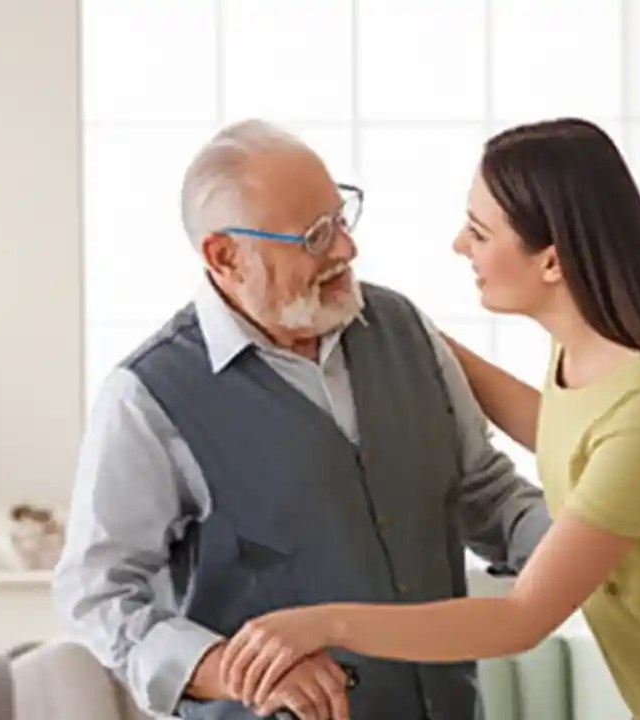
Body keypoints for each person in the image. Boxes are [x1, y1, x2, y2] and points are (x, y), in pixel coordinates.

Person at [219, 118, 640, 720]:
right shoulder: (591, 354)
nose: (458, 245)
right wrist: (407, 333)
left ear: (551, 260)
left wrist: (322, 623)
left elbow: (523, 617)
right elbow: (568, 436)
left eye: (479, 231)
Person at [52, 119, 551, 720]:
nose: (345, 250)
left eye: (340, 219)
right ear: (225, 255)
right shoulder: (147, 399)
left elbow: (484, 494)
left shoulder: (405, 331)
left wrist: (605, 546)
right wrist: (235, 670)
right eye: (314, 236)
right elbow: (98, 595)